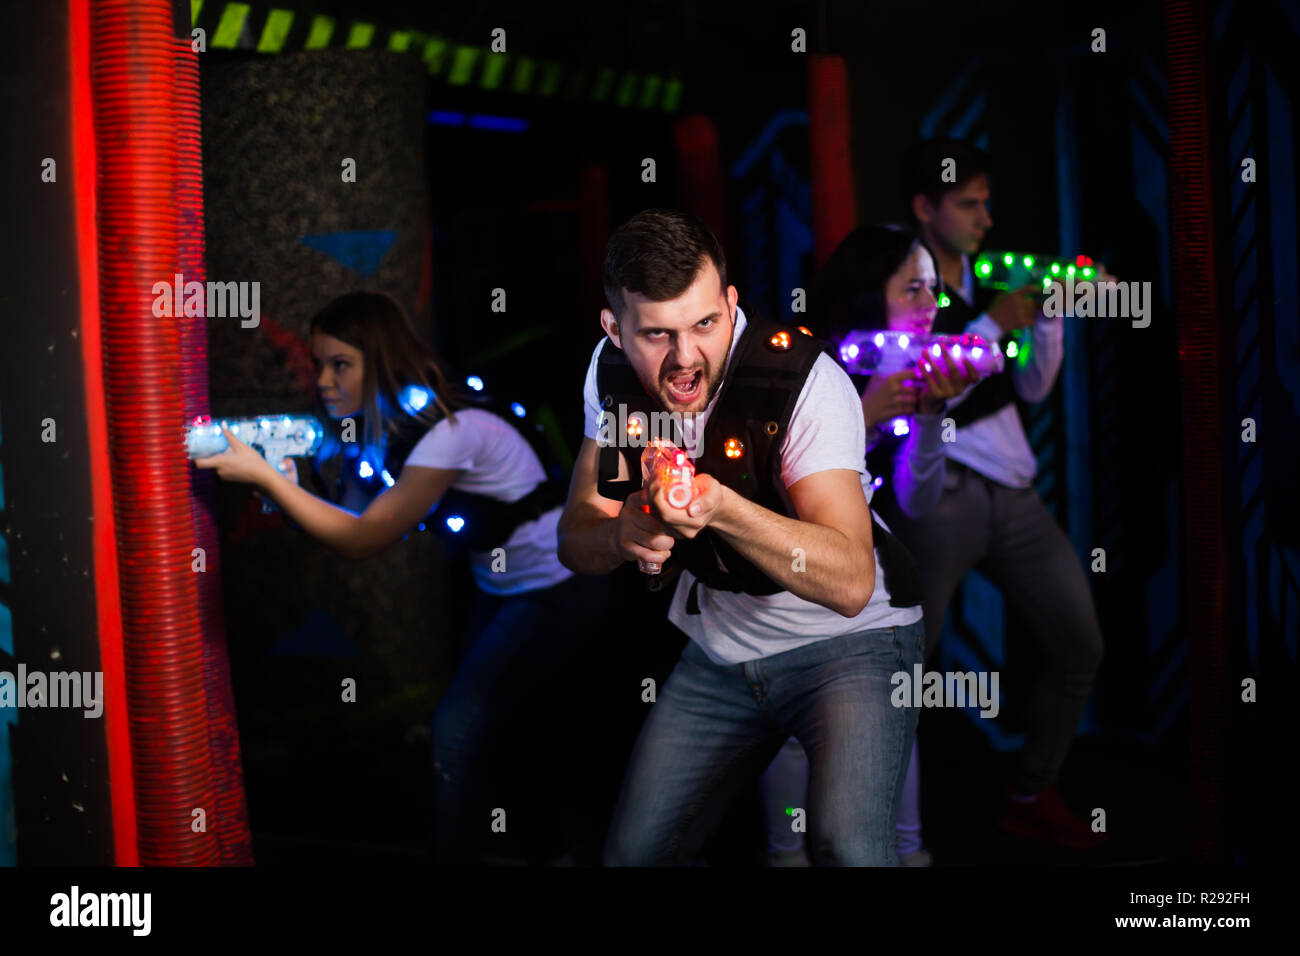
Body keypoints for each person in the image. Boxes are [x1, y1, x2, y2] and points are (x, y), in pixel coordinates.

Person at [557, 209, 926, 866]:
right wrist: (625, 532)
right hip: (722, 651)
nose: (685, 357)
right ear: (615, 330)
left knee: (849, 848)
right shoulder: (611, 375)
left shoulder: (802, 380)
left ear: (731, 303)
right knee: (634, 854)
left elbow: (849, 581)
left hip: (854, 645)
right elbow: (575, 536)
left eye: (705, 323)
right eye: (657, 334)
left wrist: (722, 508)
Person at [195, 290, 606, 864]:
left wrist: (269, 480)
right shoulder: (383, 430)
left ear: (380, 360)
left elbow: (363, 540)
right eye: (319, 364)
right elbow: (350, 522)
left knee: (459, 735)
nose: (323, 381)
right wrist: (286, 483)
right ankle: (562, 850)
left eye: (341, 364)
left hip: (558, 592)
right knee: (503, 730)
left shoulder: (446, 431)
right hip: (505, 589)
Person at [885, 138, 1107, 849]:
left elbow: (1035, 388)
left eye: (987, 202)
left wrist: (1047, 315)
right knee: (900, 679)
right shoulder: (900, 284)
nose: (985, 217)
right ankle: (884, 831)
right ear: (926, 208)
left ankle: (1031, 791)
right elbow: (919, 387)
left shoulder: (990, 276)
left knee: (1079, 643)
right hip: (936, 498)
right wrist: (992, 326)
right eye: (969, 203)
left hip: (1013, 495)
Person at [760, 223, 980, 866]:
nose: (930, 303)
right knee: (794, 736)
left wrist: (933, 418)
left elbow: (916, 500)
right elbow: (778, 484)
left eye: (934, 287)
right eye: (911, 287)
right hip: (790, 562)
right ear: (866, 292)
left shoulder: (915, 365)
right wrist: (870, 409)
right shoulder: (809, 364)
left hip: (869, 567)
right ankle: (785, 856)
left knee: (890, 718)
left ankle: (907, 856)